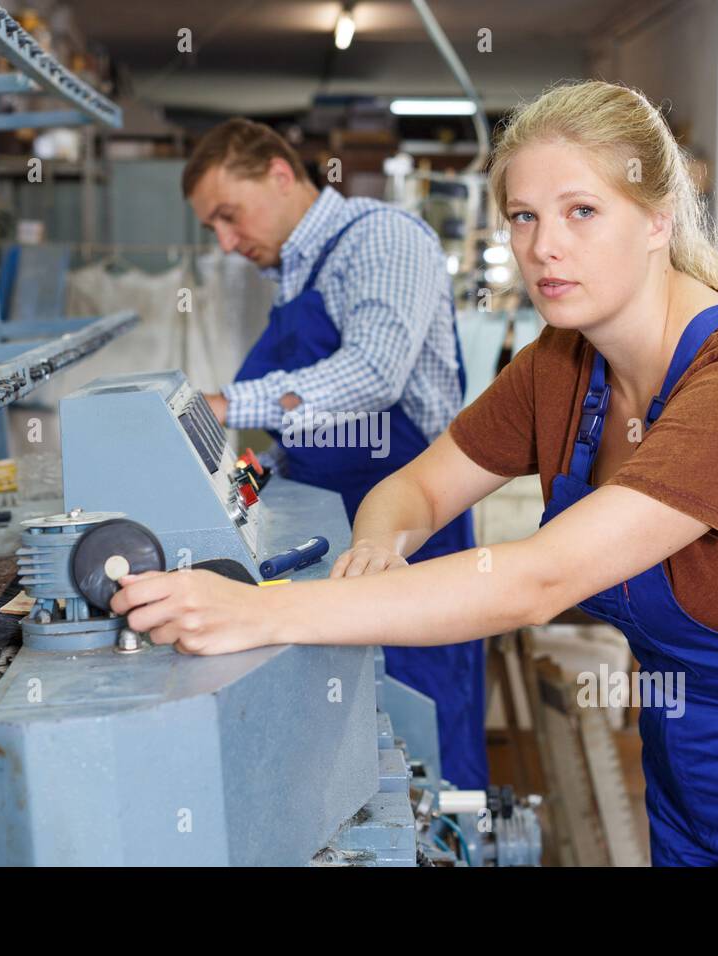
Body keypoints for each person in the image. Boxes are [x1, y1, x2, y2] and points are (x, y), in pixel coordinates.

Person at [117, 81, 718, 865]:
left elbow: (539, 580)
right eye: (522, 217)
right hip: (691, 751)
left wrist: (266, 612)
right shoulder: (560, 364)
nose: (544, 247)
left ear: (658, 219)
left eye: (581, 211)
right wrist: (378, 547)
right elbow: (417, 487)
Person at [183, 118, 486, 789]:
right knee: (347, 739)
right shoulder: (296, 275)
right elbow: (323, 429)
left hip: (412, 537)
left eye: (229, 217)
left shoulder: (381, 239)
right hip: (333, 536)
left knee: (422, 728)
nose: (228, 244)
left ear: (280, 174)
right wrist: (262, 470)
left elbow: (374, 375)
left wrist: (226, 407)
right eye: (214, 230)